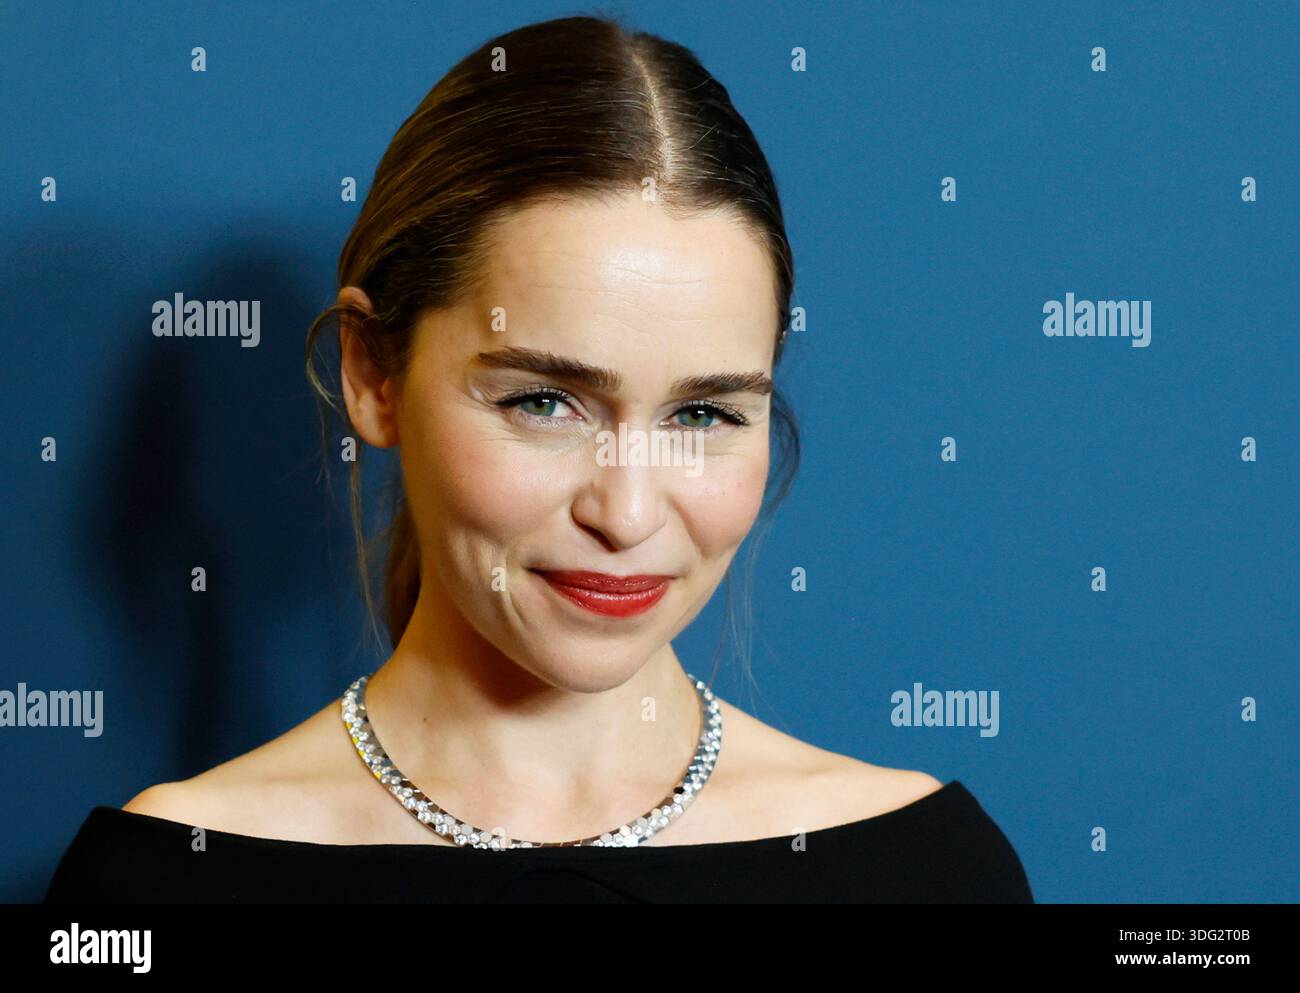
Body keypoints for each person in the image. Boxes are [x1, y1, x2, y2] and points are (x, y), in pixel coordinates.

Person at [45, 13, 1032, 903]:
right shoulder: (163, 880)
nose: (629, 512)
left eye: (704, 414)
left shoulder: (923, 871)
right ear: (372, 376)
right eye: (545, 402)